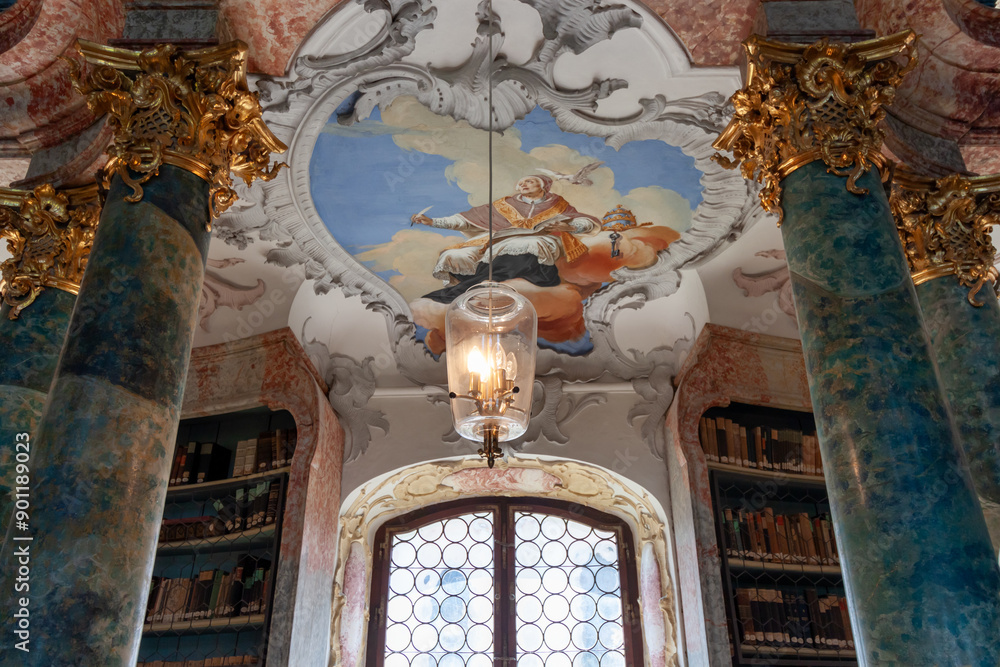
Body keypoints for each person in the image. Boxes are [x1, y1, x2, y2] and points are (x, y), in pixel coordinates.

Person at [410, 174, 601, 303]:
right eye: (521, 183)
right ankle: (478, 284)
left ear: (543, 186)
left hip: (540, 239)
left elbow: (584, 221)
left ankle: (467, 289)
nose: (523, 185)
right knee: (454, 255)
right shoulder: (505, 205)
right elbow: (466, 219)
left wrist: (568, 226)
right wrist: (432, 221)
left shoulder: (558, 205)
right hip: (498, 241)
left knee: (529, 243)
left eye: (529, 181)